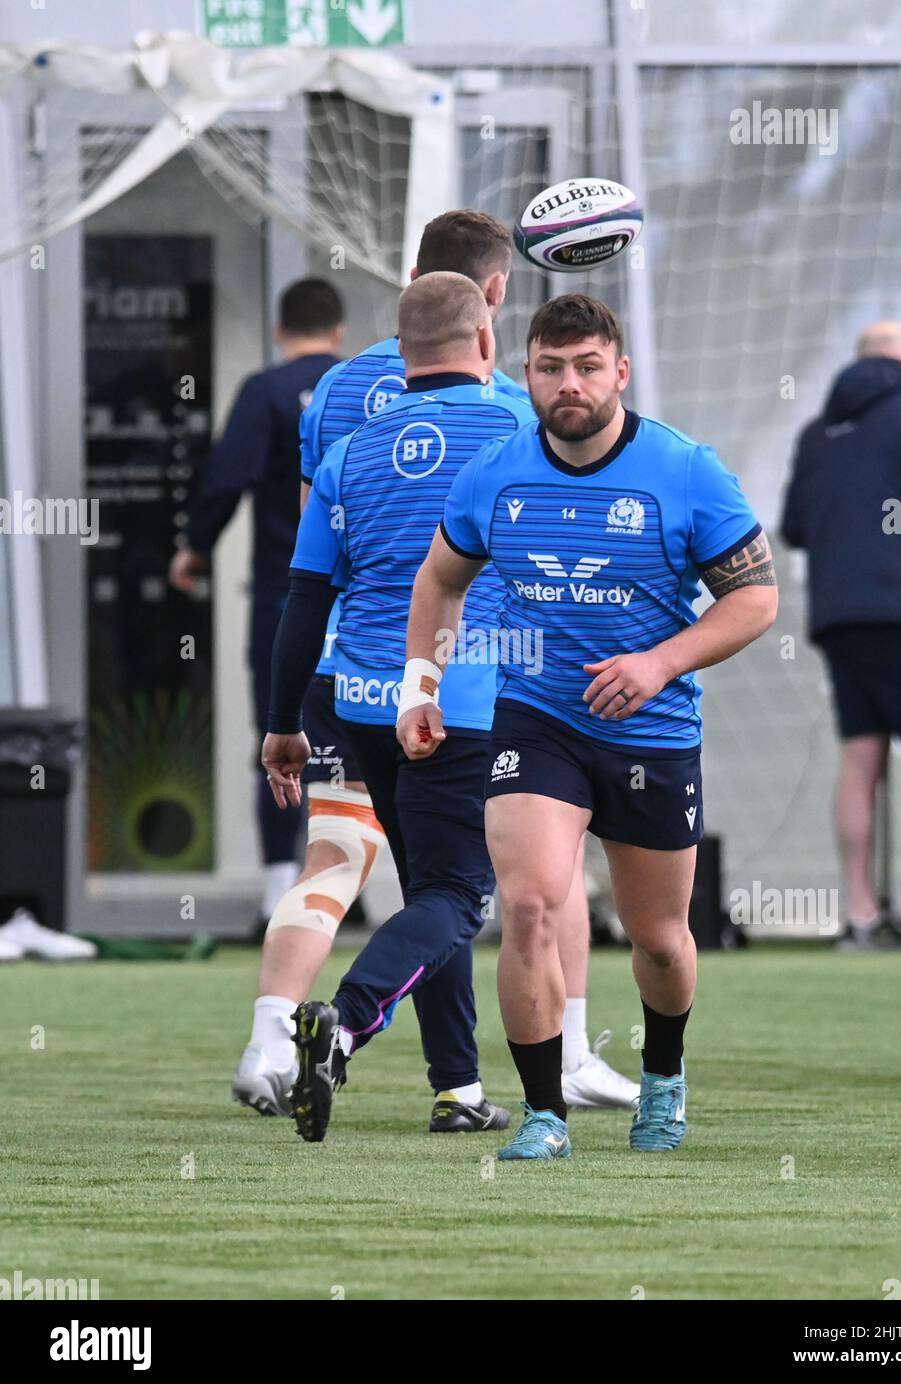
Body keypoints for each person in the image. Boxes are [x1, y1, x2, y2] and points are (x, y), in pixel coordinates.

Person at [241, 209, 638, 1131]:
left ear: (397, 346)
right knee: (462, 897)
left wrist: (283, 721)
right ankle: (340, 1024)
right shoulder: (516, 430)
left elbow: (304, 597)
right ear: (491, 335)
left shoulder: (348, 448)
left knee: (428, 889)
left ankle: (458, 1090)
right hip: (470, 695)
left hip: (358, 697)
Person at [397, 293, 778, 1161]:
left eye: (587, 367)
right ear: (524, 373)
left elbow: (756, 599)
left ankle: (666, 1077)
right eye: (550, 367)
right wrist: (420, 686)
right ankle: (543, 1114)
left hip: (651, 733)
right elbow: (440, 580)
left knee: (660, 941)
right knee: (528, 903)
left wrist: (660, 664)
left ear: (620, 373)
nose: (569, 384)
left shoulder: (687, 471)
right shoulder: (494, 471)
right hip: (537, 720)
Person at [781, 321, 901, 951]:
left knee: (862, 757)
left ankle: (862, 919)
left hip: (838, 618)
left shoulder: (817, 431)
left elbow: (793, 527)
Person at [169, 278, 346, 941]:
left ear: (280, 331)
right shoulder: (366, 386)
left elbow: (228, 477)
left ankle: (281, 892)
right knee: (362, 735)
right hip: (371, 600)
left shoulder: (266, 392)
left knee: (281, 732)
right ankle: (351, 879)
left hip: (287, 592)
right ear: (338, 332)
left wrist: (194, 547)